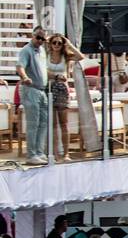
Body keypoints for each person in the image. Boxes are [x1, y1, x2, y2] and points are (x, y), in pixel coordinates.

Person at [45, 33, 84, 161]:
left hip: (62, 89)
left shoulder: (66, 57)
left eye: (59, 43)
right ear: (50, 44)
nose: (56, 45)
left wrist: (69, 43)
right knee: (53, 124)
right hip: (49, 88)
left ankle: (66, 153)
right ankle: (55, 153)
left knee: (64, 123)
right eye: (54, 42)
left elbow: (80, 56)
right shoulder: (45, 55)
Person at [16, 27, 49, 165]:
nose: (40, 41)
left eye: (43, 39)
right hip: (30, 89)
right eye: (38, 38)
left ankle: (39, 152)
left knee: (43, 122)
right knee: (33, 123)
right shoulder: (26, 50)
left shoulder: (42, 51)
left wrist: (57, 76)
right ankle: (31, 154)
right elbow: (20, 66)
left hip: (41, 90)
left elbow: (44, 70)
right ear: (33, 36)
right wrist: (24, 77)